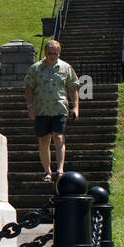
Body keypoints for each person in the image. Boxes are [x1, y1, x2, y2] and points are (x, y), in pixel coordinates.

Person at [24, 40, 79, 183]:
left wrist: (75, 106)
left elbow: (73, 87)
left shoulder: (66, 67)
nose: (52, 56)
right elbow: (29, 87)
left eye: (55, 53)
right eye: (50, 53)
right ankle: (47, 171)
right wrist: (30, 106)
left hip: (59, 108)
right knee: (44, 139)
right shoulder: (36, 68)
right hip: (41, 109)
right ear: (45, 53)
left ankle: (60, 169)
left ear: (59, 53)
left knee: (58, 136)